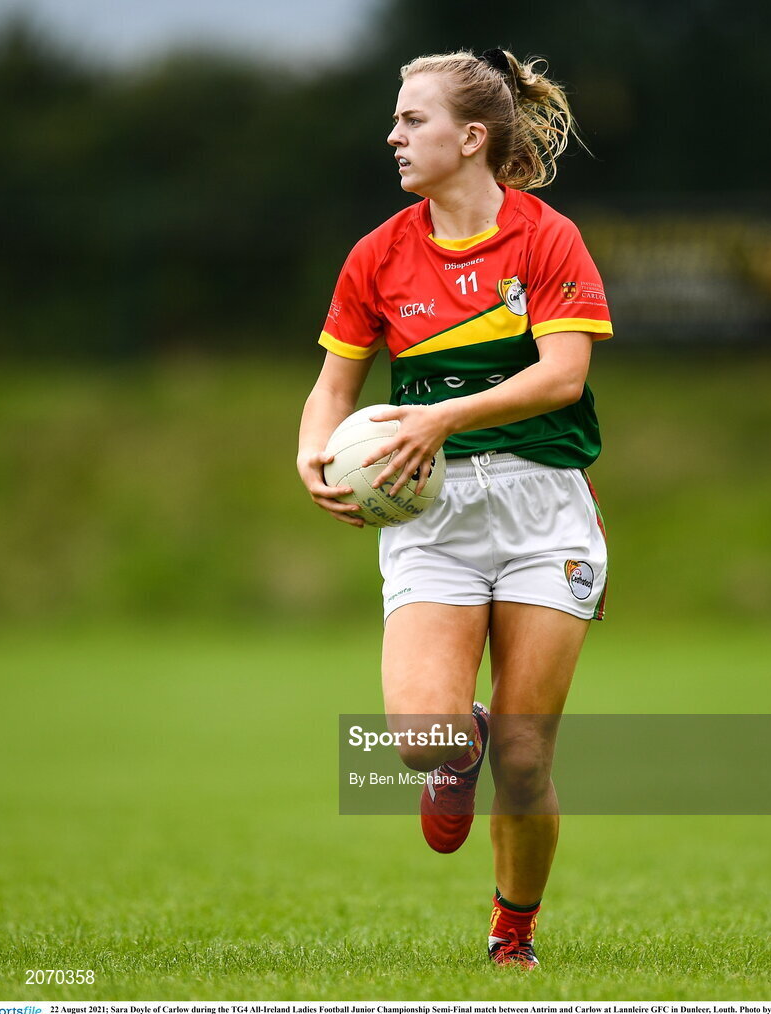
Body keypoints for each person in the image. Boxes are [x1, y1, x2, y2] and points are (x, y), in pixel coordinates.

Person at [297, 48, 611, 969]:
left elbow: (562, 376)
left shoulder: (546, 237)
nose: (392, 136)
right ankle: (456, 745)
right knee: (416, 741)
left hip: (542, 511)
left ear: (471, 137)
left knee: (525, 756)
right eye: (396, 120)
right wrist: (313, 453)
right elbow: (333, 386)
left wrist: (442, 416)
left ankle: (512, 933)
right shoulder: (378, 254)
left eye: (412, 120)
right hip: (430, 517)